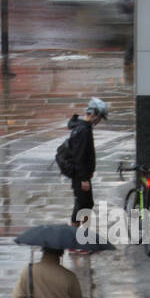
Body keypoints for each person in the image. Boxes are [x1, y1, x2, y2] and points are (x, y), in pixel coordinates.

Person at [66, 97, 107, 228]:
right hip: (80, 176)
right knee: (84, 205)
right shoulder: (83, 130)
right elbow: (80, 156)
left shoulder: (83, 127)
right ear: (94, 114)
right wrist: (84, 178)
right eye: (100, 117)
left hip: (82, 175)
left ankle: (81, 237)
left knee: (84, 204)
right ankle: (79, 238)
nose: (99, 121)